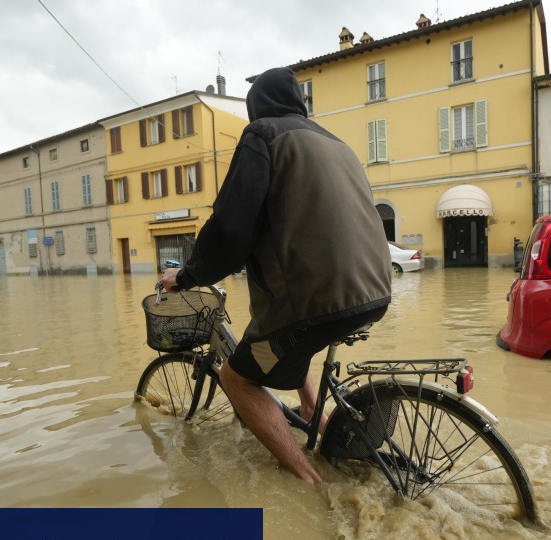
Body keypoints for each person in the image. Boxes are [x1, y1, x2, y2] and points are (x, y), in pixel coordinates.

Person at [160, 67, 391, 485]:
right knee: (282, 334)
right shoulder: (336, 143)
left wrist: (188, 276)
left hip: (317, 298)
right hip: (374, 288)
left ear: (256, 107)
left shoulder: (262, 135)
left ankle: (308, 481)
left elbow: (231, 224)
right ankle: (313, 413)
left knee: (237, 377)